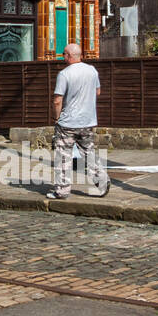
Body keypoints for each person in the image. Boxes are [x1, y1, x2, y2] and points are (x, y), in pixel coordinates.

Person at [48, 42, 110, 199]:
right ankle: (102, 182)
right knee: (89, 152)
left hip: (67, 123)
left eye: (64, 54)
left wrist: (56, 117)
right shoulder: (92, 71)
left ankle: (62, 190)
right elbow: (98, 92)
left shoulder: (64, 74)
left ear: (69, 56)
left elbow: (57, 100)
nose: (63, 57)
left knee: (63, 156)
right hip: (87, 121)